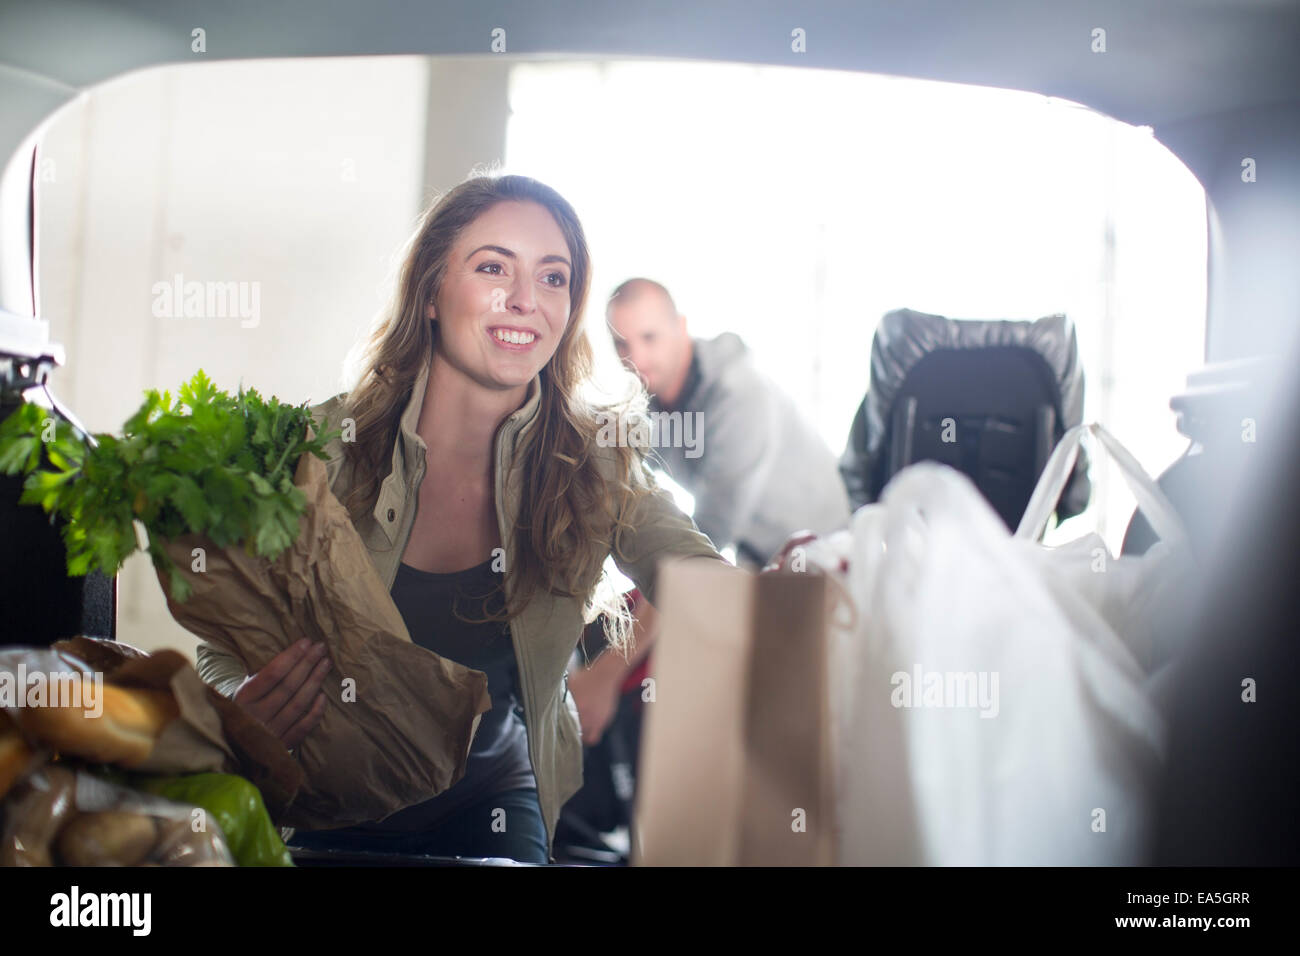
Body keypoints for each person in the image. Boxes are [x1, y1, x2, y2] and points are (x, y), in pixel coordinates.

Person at [194, 174, 728, 864]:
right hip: (315, 805)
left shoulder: (597, 461)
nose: (525, 300)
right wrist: (240, 701)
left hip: (494, 810)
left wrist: (789, 593)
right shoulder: (318, 447)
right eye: (493, 267)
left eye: (553, 277)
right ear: (431, 293)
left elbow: (700, 579)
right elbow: (223, 641)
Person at [604, 278, 851, 568]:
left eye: (649, 337)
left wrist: (653, 586)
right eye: (621, 344)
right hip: (761, 556)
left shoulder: (739, 393)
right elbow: (625, 480)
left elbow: (714, 523)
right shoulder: (651, 399)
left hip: (829, 553)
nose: (635, 358)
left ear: (680, 328)